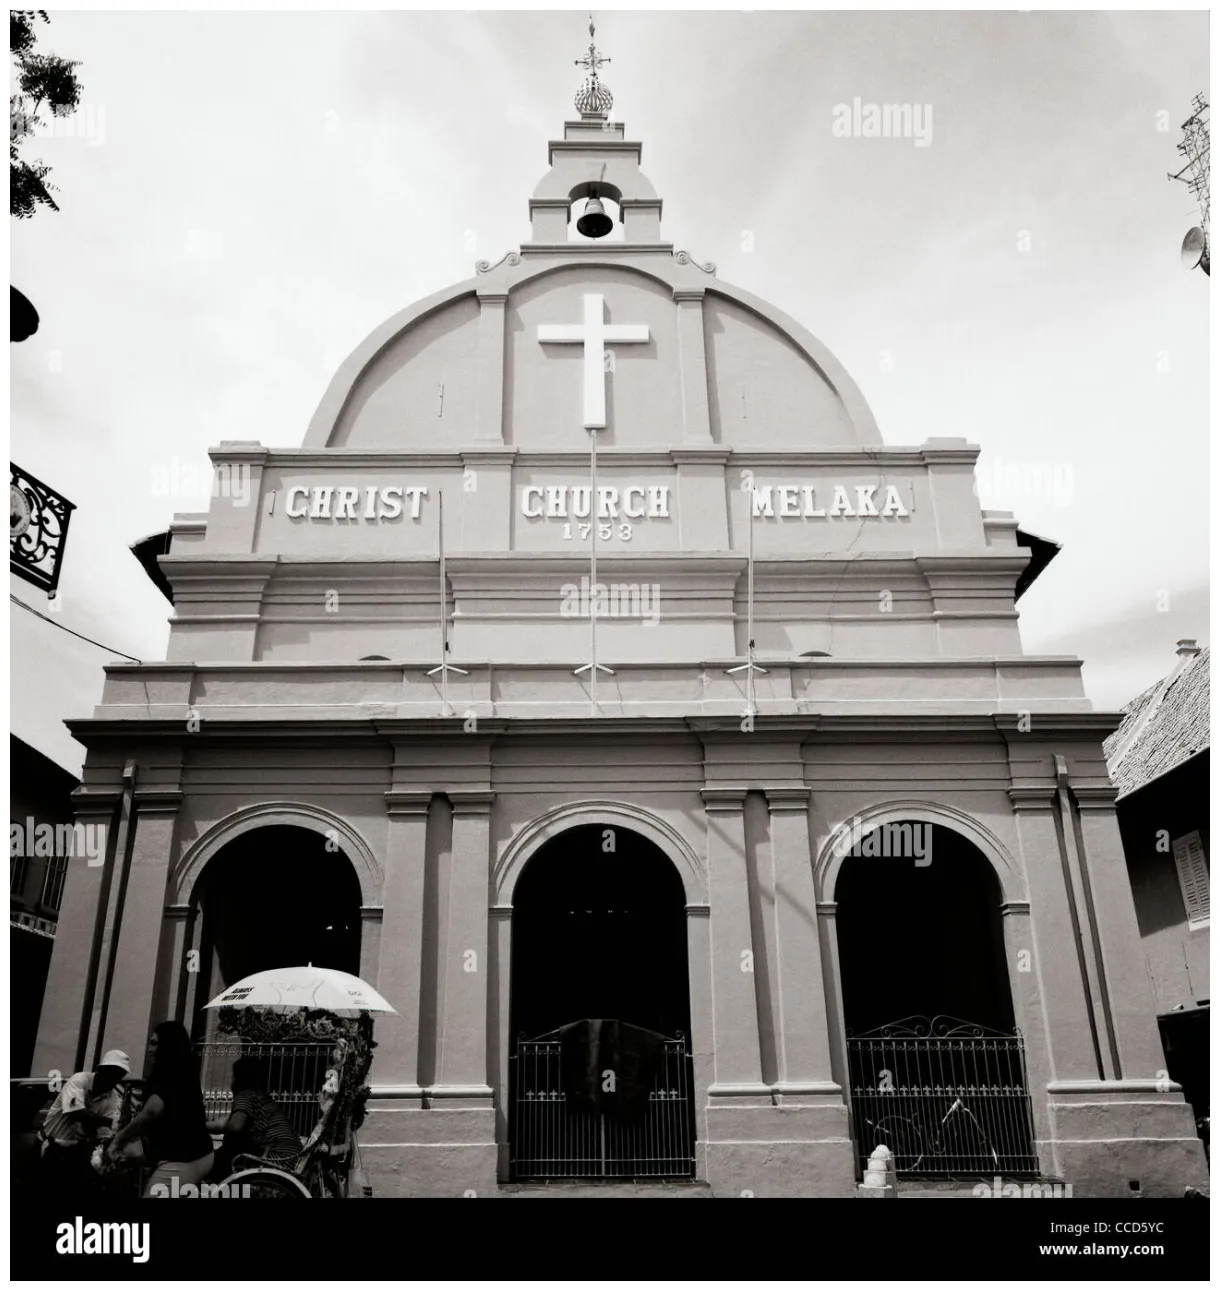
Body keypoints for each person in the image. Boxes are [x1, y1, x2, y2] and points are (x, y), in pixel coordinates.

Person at [107, 1022, 213, 1196]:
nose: (149, 1049)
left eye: (155, 1043)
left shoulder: (170, 1074)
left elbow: (152, 1111)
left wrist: (119, 1138)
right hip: (188, 1153)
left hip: (186, 1157)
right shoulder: (180, 1071)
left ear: (169, 1046)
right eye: (150, 1043)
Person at [38, 1050, 130, 1196]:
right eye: (112, 1072)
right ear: (101, 1069)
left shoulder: (113, 1098)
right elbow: (75, 1112)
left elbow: (103, 1136)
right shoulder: (80, 1079)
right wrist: (106, 1121)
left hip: (75, 1153)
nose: (115, 1078)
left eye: (119, 1075)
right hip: (49, 1146)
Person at [210, 1056, 302, 1179]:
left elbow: (235, 1126)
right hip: (292, 1156)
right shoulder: (260, 1097)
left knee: (225, 1154)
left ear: (239, 1079)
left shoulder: (245, 1095)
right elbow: (227, 1122)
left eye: (233, 1076)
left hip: (277, 1157)